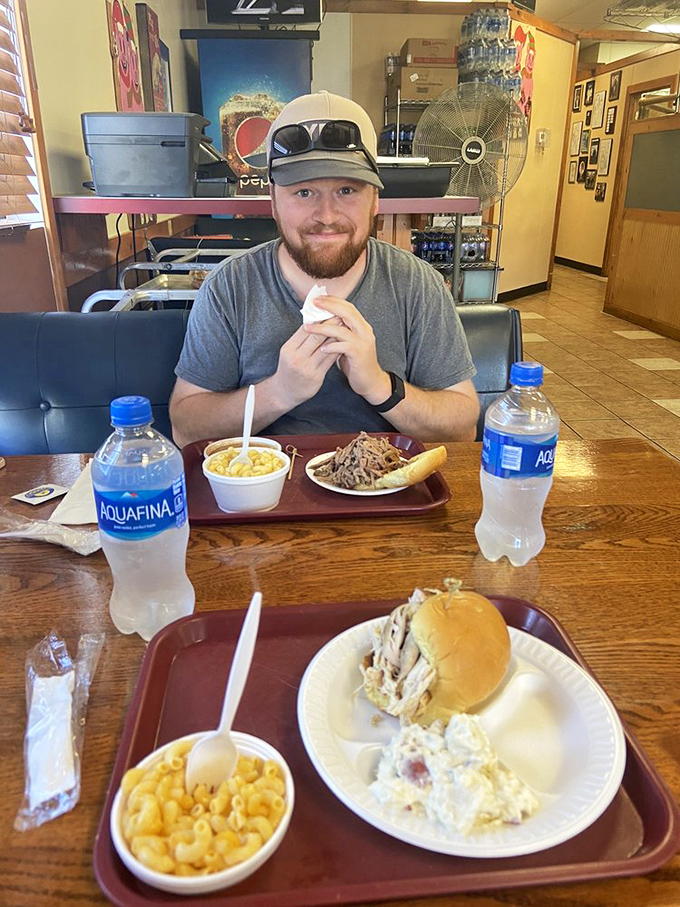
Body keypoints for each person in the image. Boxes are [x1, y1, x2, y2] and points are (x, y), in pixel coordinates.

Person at [170, 90, 479, 445]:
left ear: (375, 200)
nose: (327, 217)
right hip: (265, 494)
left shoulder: (416, 284)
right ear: (273, 200)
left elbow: (462, 427)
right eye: (304, 192)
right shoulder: (231, 286)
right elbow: (185, 428)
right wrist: (278, 393)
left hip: (389, 493)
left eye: (347, 190)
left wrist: (380, 386)